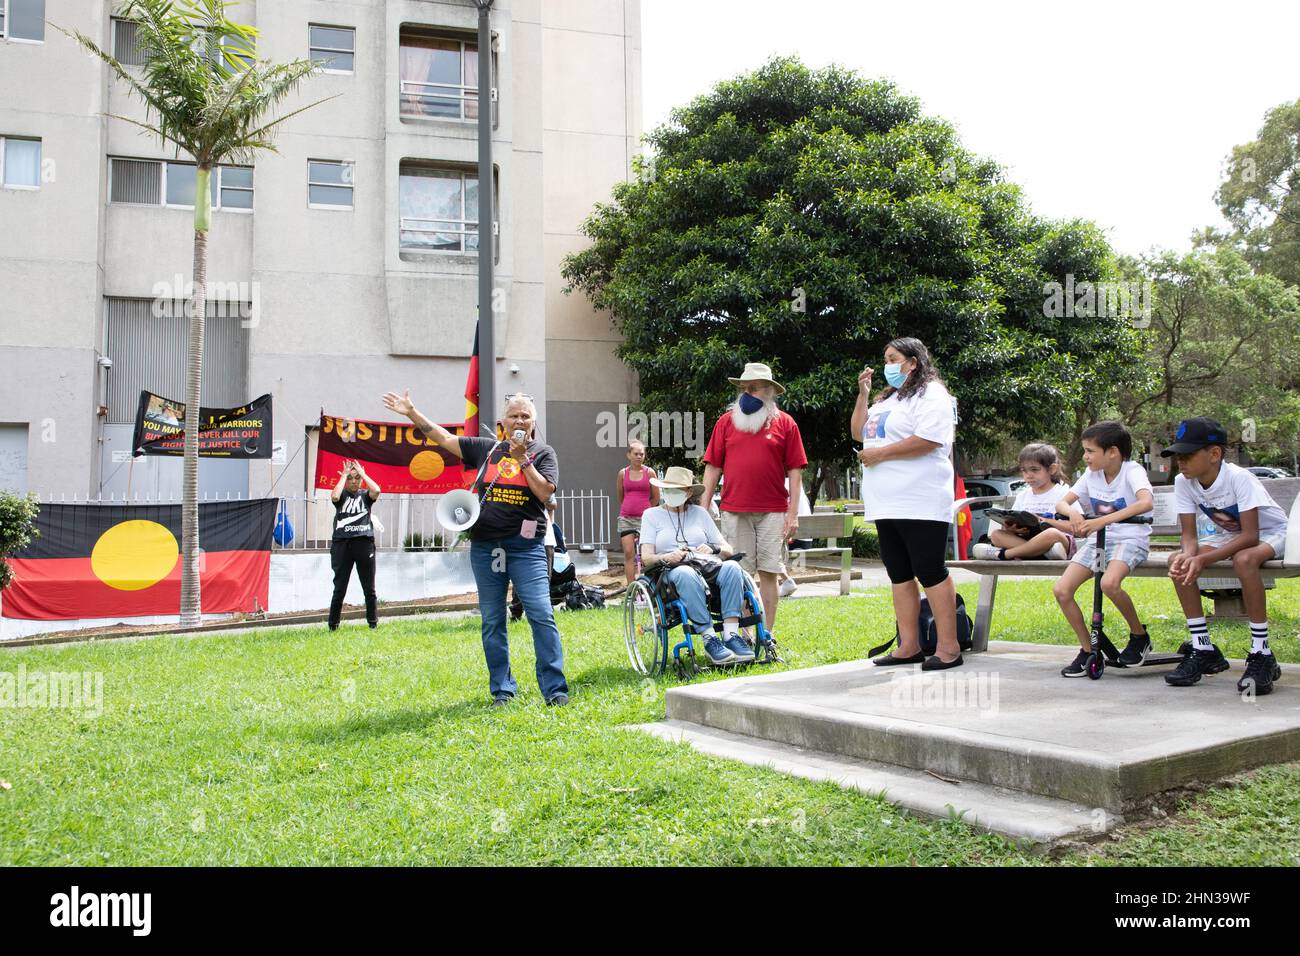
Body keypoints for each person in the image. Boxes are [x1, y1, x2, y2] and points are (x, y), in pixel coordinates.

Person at [382, 389, 569, 707]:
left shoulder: (544, 453)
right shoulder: (486, 449)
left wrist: (523, 458)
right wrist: (412, 412)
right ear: (503, 423)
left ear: (534, 423)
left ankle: (554, 689)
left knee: (541, 614)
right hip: (487, 548)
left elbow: (544, 493)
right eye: (514, 415)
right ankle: (502, 689)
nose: (520, 420)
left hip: (526, 548)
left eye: (525, 416)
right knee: (492, 619)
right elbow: (442, 438)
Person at [852, 337, 963, 670]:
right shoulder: (888, 401)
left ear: (913, 362)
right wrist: (863, 395)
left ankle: (948, 647)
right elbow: (860, 433)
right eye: (885, 358)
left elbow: (930, 439)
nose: (887, 365)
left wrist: (881, 453)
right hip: (886, 503)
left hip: (921, 500)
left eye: (893, 358)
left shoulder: (933, 394)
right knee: (899, 574)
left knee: (929, 570)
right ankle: (909, 645)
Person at [1162, 417, 1287, 694]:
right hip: (1234, 535)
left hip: (1271, 531)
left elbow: (1250, 537)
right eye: (1177, 455)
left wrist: (1203, 559)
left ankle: (1261, 653)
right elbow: (1189, 536)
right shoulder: (1185, 481)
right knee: (1177, 561)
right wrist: (1189, 556)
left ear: (1214, 454)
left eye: (1187, 454)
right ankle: (1202, 647)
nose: (1180, 462)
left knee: (1244, 560)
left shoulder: (1238, 478)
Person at [699, 362, 807, 636]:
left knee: (769, 572)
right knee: (740, 575)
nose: (747, 394)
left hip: (773, 511)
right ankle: (746, 636)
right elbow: (712, 467)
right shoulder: (726, 423)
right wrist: (702, 509)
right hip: (735, 510)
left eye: (754, 388)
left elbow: (795, 472)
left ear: (769, 391)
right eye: (744, 388)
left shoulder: (786, 423)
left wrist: (793, 514)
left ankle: (766, 635)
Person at [1050, 421, 1154, 677]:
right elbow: (1062, 502)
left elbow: (1145, 503)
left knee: (1109, 584)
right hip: (1100, 541)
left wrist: (1101, 521)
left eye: (1090, 451)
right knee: (1062, 590)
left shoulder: (1132, 471)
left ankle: (1139, 636)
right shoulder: (1091, 474)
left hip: (1129, 540)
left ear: (1113, 452)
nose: (1085, 456)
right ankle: (1088, 649)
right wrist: (1073, 514)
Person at [640, 466, 753, 666]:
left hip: (706, 566)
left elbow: (727, 548)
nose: (671, 493)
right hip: (672, 571)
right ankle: (710, 639)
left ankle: (731, 636)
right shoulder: (651, 515)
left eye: (678, 489)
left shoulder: (700, 513)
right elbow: (646, 558)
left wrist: (712, 548)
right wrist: (668, 556)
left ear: (689, 492)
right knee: (686, 573)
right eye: (668, 488)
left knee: (733, 568)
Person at [971, 443, 1076, 560]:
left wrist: (1044, 521)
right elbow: (1014, 519)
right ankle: (1043, 554)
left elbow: (1075, 526)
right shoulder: (1023, 496)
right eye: (1024, 471)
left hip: (1057, 541)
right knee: (996, 535)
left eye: (1034, 470)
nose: (1028, 475)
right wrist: (1012, 528)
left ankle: (1004, 554)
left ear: (1052, 469)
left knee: (1051, 533)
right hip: (1029, 539)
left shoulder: (1065, 493)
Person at [328, 459, 380, 631]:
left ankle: (372, 623)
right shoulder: (341, 495)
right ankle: (333, 625)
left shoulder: (365, 496)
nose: (354, 482)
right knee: (339, 587)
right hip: (342, 544)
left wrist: (363, 474)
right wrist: (344, 475)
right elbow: (334, 496)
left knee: (369, 588)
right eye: (351, 479)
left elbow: (377, 490)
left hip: (363, 542)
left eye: (357, 479)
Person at [616, 440, 658, 586]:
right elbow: (621, 495)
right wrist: (629, 507)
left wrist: (647, 511)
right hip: (626, 518)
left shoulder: (650, 472)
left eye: (642, 454)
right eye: (636, 454)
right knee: (629, 554)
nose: (639, 456)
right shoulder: (623, 473)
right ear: (629, 455)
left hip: (645, 519)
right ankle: (631, 588)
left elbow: (656, 497)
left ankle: (647, 587)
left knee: (646, 555)